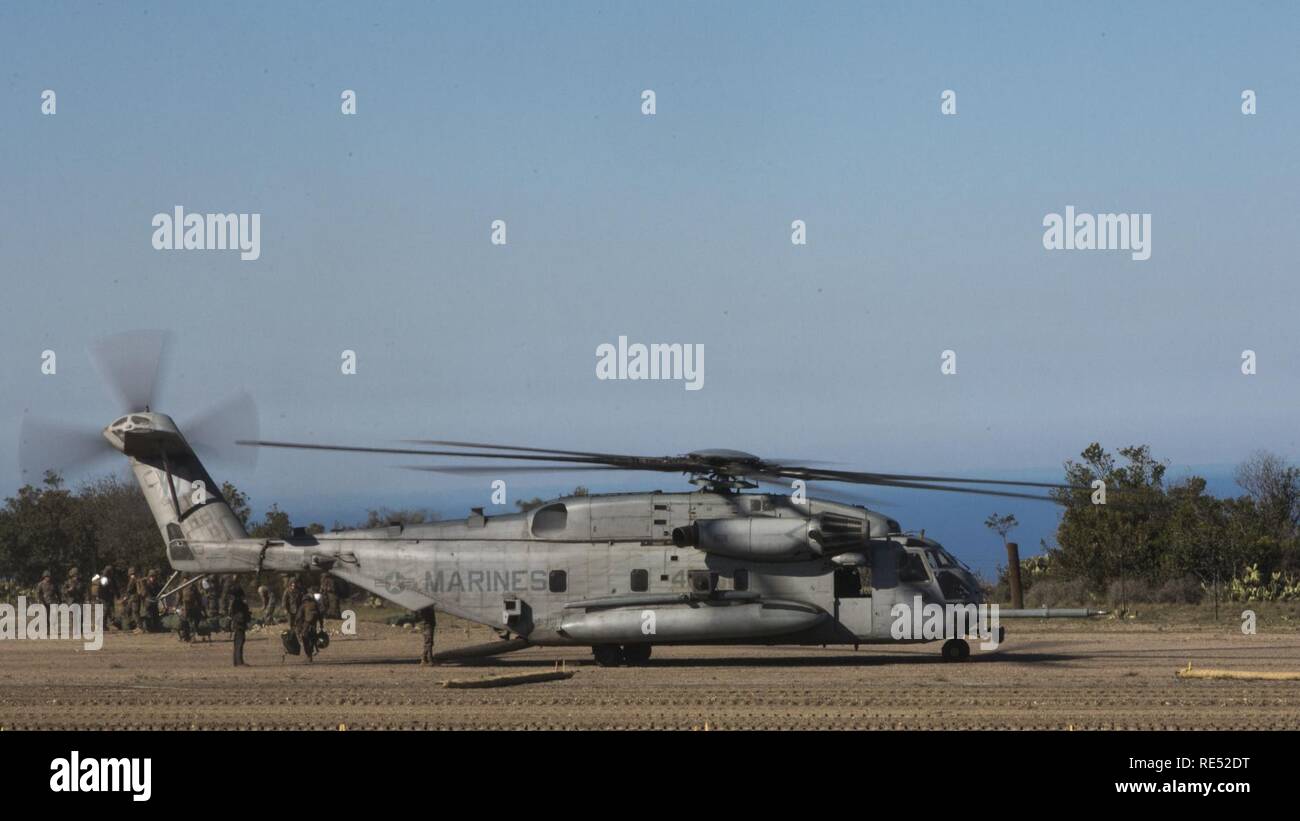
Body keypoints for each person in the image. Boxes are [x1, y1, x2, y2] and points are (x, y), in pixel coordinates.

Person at [296, 591, 323, 663]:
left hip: (306, 625)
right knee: (312, 639)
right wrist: (321, 625)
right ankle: (310, 654)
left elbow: (298, 618)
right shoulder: (315, 605)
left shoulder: (303, 606)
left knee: (305, 640)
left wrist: (298, 628)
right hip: (314, 625)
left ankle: (309, 656)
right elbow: (320, 616)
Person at [177, 577, 206, 642]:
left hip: (188, 607)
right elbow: (198, 597)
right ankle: (188, 636)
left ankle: (187, 636)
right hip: (188, 607)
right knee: (188, 622)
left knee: (187, 622)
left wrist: (177, 606)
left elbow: (178, 597)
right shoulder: (191, 585)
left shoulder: (183, 585)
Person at [228, 586, 251, 666]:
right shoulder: (239, 604)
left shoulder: (235, 603)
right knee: (239, 643)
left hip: (237, 624)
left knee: (238, 642)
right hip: (239, 625)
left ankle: (237, 661)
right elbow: (241, 615)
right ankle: (239, 662)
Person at [123, 567, 140, 632]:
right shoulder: (136, 579)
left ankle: (139, 627)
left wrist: (126, 597)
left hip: (134, 598)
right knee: (134, 612)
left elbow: (129, 590)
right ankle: (136, 626)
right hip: (136, 598)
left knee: (135, 612)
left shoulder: (132, 580)